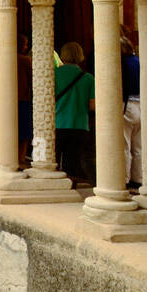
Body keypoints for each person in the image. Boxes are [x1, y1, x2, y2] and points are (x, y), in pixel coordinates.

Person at [54, 41, 96, 186]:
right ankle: (69, 185)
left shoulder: (53, 74)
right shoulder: (88, 78)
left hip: (56, 123)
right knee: (71, 163)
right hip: (79, 125)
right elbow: (92, 105)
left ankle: (53, 187)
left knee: (51, 161)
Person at [121, 33, 141, 190]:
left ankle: (125, 178)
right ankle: (138, 177)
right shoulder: (138, 61)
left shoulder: (122, 63)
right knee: (138, 146)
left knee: (124, 144)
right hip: (142, 104)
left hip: (127, 105)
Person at [18, 33, 33, 167]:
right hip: (23, 99)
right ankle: (21, 159)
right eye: (25, 44)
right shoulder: (26, 61)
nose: (26, 47)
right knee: (24, 134)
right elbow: (32, 79)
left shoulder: (2, 58)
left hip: (4, 102)